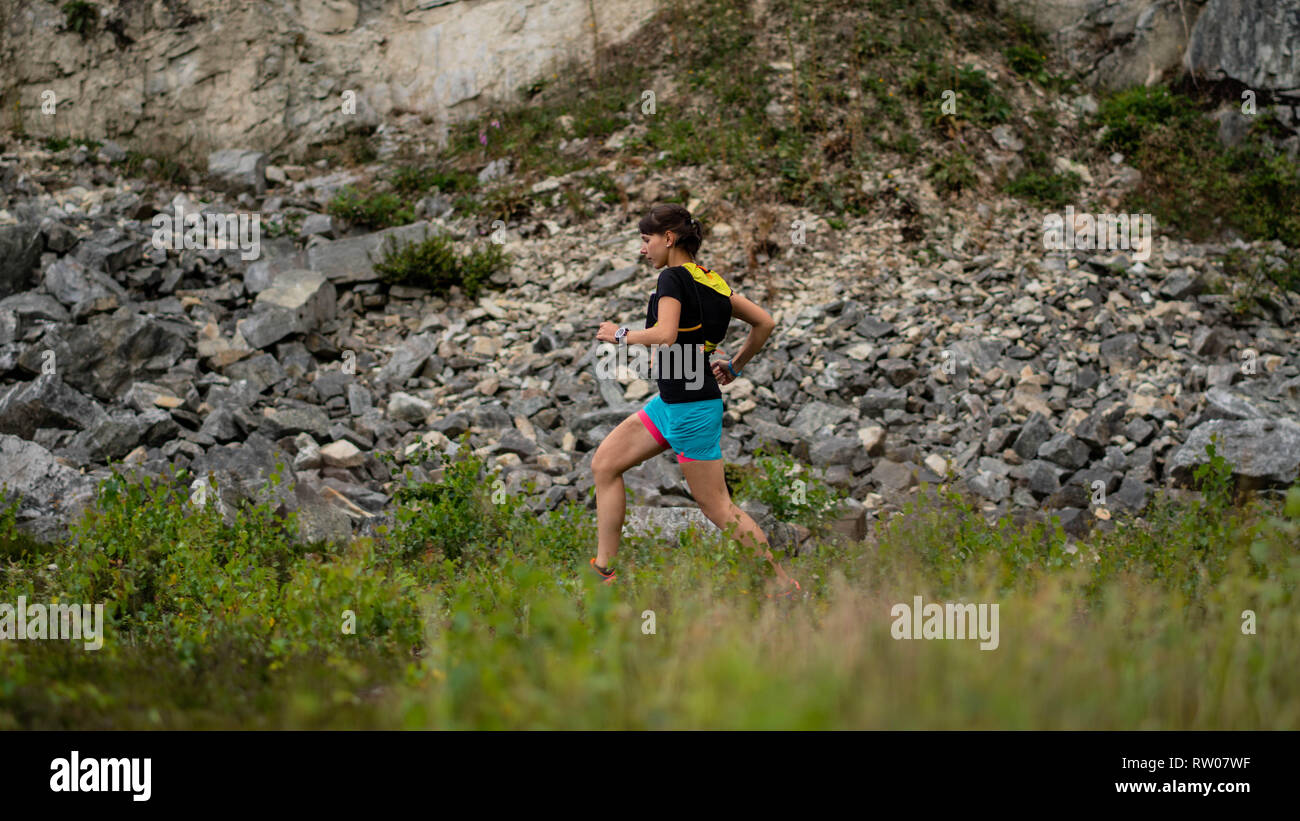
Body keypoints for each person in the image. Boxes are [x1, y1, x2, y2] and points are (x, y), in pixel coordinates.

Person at [590, 203, 802, 599]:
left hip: (691, 408)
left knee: (718, 506)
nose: (643, 249)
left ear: (669, 238)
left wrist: (620, 334)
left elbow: (666, 334)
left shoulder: (672, 277)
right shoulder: (712, 281)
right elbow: (765, 322)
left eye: (647, 240)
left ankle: (782, 586)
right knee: (605, 464)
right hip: (671, 403)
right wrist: (735, 366)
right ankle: (603, 572)